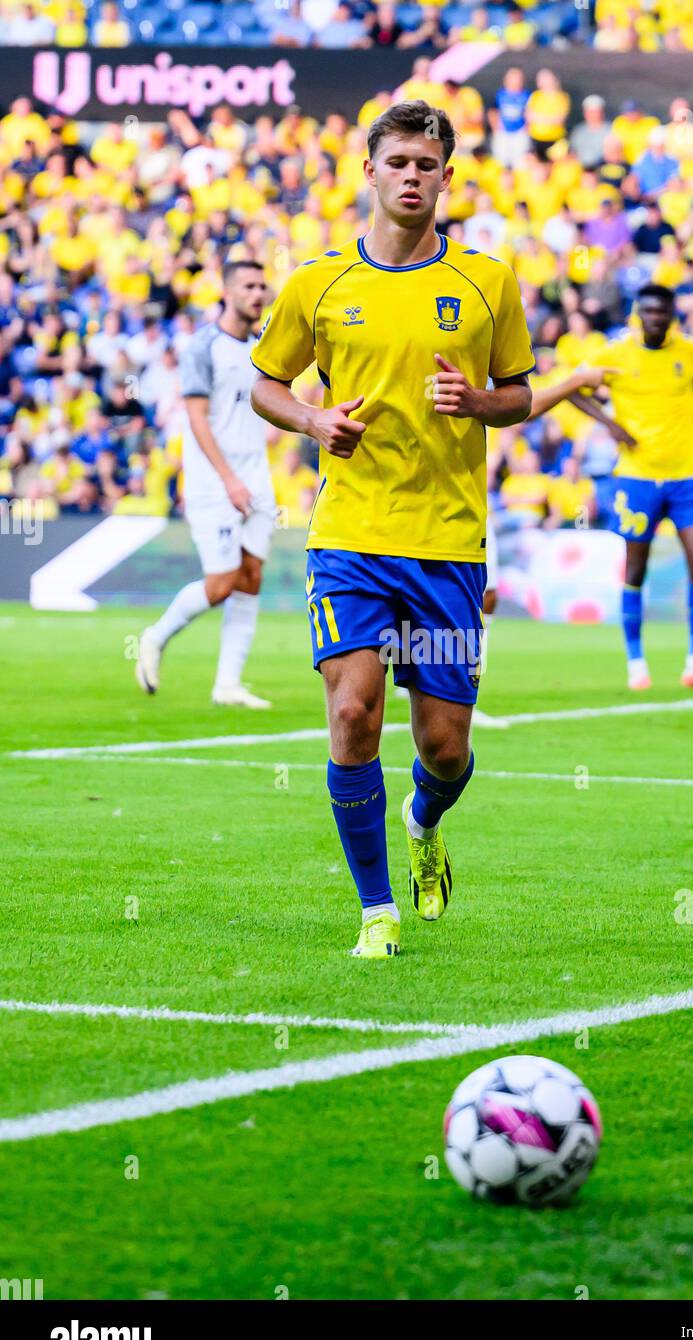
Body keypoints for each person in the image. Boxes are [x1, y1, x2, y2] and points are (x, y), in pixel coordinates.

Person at [249, 100, 534, 959]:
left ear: (448, 176)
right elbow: (264, 381)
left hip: (447, 543)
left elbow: (520, 391)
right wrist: (312, 422)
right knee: (352, 713)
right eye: (398, 162)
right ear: (369, 172)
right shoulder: (317, 283)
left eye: (428, 163)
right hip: (349, 537)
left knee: (445, 747)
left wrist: (481, 402)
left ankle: (424, 817)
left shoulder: (488, 282)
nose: (413, 176)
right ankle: (376, 910)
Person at [528, 285, 693, 692]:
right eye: (648, 311)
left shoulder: (691, 352)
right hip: (636, 477)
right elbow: (574, 387)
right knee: (635, 568)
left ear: (672, 316)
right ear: (638, 313)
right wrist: (611, 425)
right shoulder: (616, 353)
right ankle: (636, 664)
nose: (655, 318)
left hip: (686, 474)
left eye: (662, 312)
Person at [135, 261, 276, 708]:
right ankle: (155, 637)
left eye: (261, 286)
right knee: (221, 583)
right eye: (248, 286)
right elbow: (196, 418)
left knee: (251, 576)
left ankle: (227, 684)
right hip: (214, 481)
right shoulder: (202, 346)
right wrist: (229, 479)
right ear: (227, 291)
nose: (257, 294)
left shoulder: (262, 346)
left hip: (257, 474)